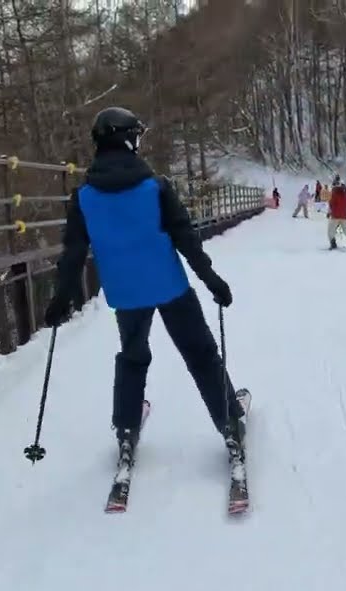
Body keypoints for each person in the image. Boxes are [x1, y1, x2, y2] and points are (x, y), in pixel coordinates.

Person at [43, 106, 247, 470]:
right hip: (169, 286)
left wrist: (62, 298)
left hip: (125, 293)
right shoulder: (155, 187)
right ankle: (229, 422)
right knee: (200, 354)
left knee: (133, 356)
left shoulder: (84, 197)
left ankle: (125, 429)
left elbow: (73, 253)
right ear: (126, 140)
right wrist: (211, 279)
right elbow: (186, 238)